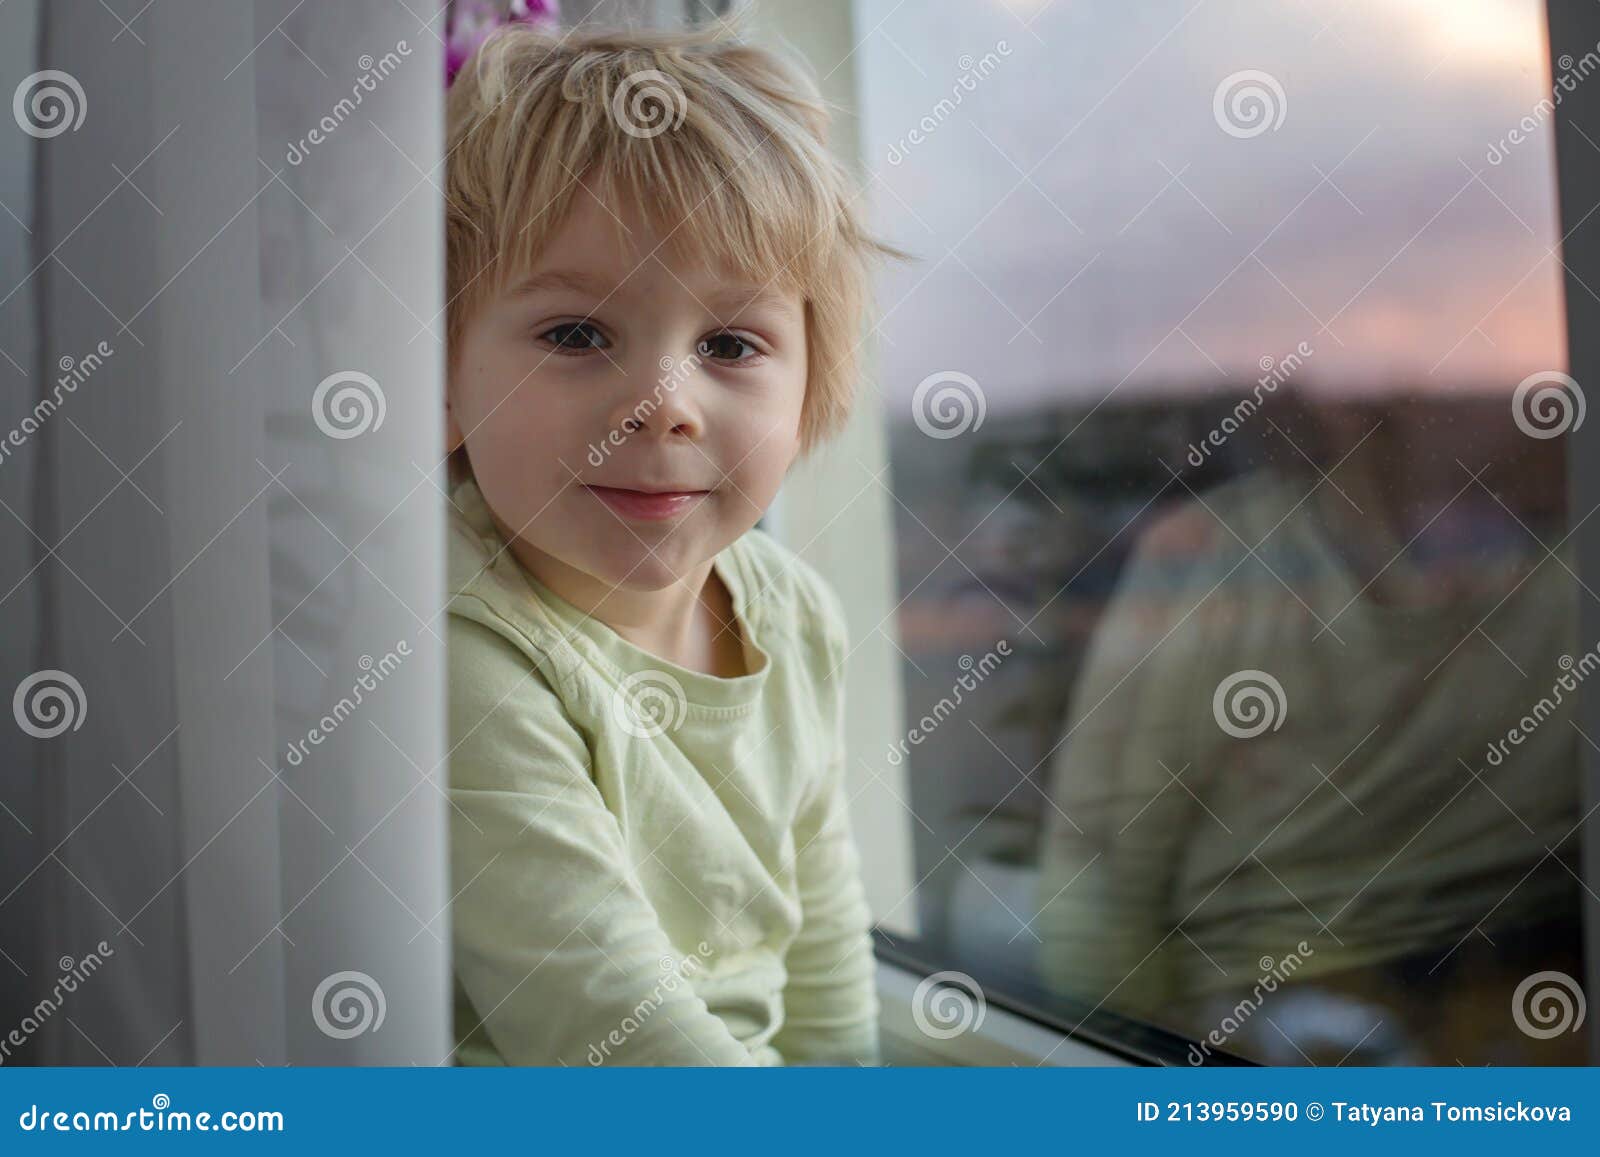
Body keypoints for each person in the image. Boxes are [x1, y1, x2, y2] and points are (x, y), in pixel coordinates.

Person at [441, 18, 902, 1065]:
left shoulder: (788, 608)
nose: (662, 407)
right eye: (576, 333)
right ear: (444, 376)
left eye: (730, 344)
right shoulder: (459, 642)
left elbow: (823, 943)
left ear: (809, 386)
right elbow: (611, 1033)